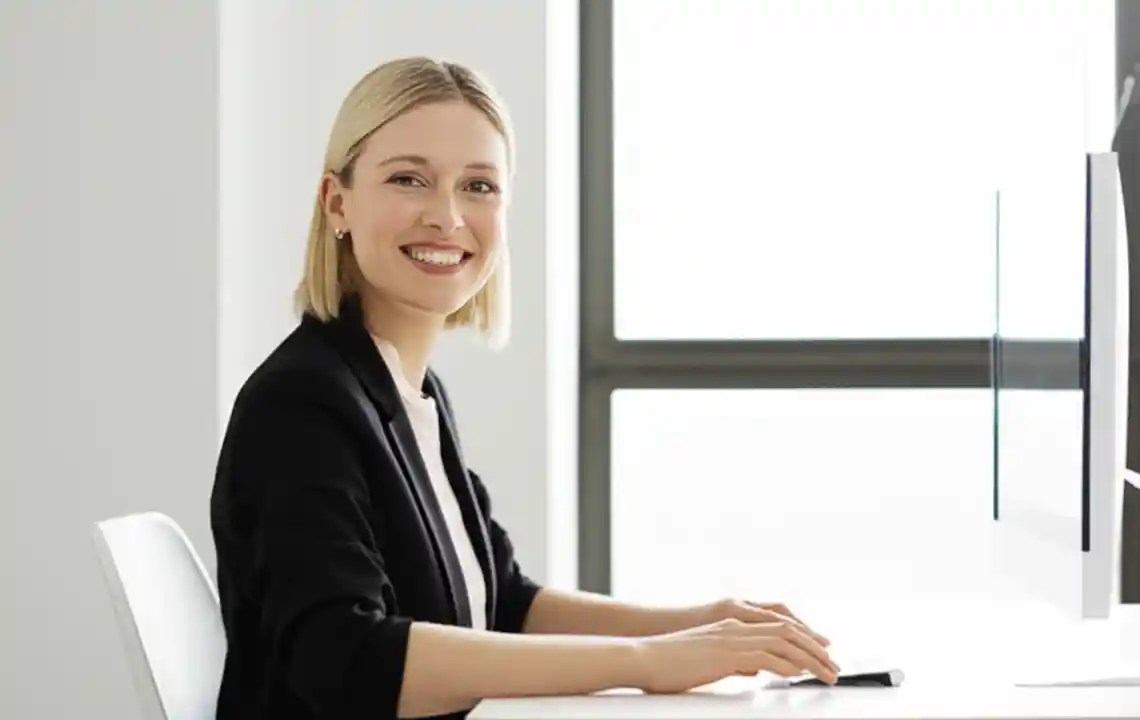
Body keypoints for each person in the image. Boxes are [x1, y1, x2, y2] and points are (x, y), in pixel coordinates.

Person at [209, 56, 839, 720]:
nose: (448, 218)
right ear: (337, 202)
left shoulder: (407, 392)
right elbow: (346, 659)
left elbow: (503, 602)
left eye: (478, 186)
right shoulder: (303, 404)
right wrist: (651, 664)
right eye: (408, 179)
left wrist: (694, 625)